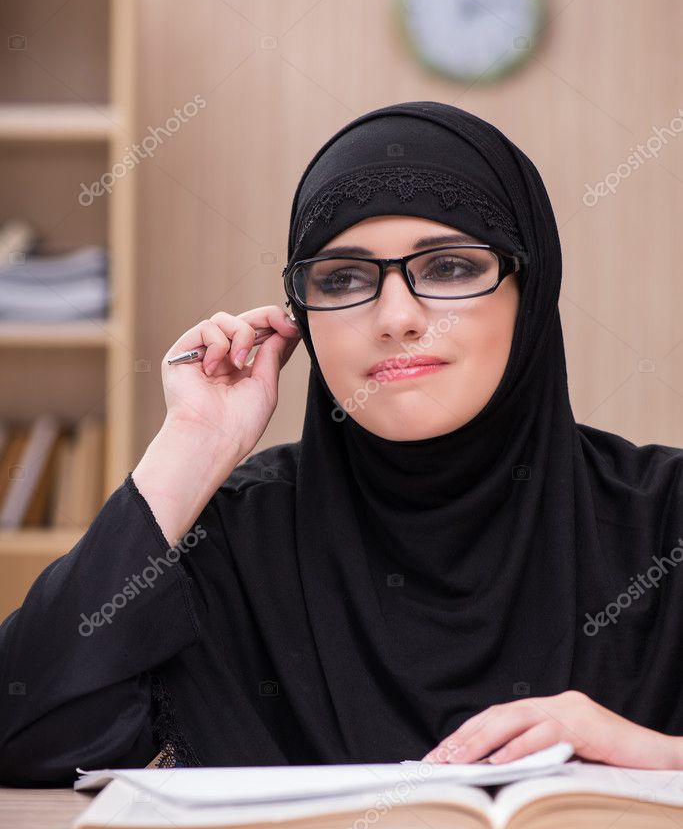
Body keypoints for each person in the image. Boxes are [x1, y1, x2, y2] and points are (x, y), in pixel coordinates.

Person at [1, 100, 683, 789]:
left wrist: (654, 753)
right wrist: (189, 449)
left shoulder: (664, 522)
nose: (396, 318)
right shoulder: (235, 539)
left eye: (447, 267)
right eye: (344, 278)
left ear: (528, 290)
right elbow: (21, 733)